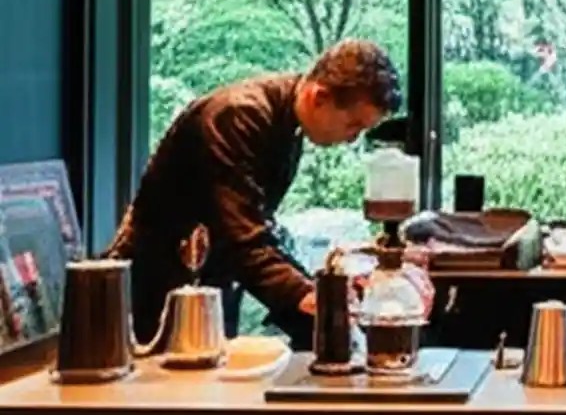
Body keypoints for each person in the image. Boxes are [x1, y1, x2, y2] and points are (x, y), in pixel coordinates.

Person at [105, 39, 402, 348]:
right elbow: (241, 237)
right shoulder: (237, 117)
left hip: (197, 289)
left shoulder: (283, 122)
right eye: (354, 125)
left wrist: (313, 289)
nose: (353, 139)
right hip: (155, 298)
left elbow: (255, 228)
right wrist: (305, 293)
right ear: (319, 97)